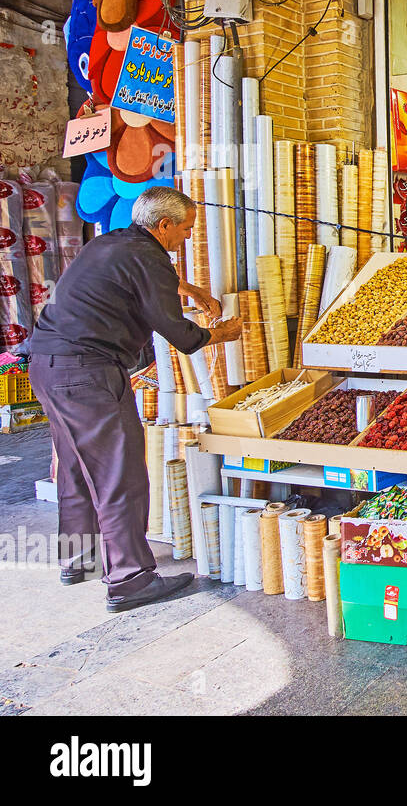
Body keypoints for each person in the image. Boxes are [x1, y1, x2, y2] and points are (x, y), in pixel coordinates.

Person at [29, 187, 244, 614]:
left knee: (75, 466)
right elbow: (182, 337)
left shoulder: (111, 242)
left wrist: (187, 287)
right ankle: (129, 580)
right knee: (119, 475)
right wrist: (224, 332)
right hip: (88, 375)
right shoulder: (151, 259)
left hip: (46, 366)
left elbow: (138, 278)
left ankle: (79, 560)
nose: (186, 238)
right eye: (184, 230)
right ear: (163, 226)